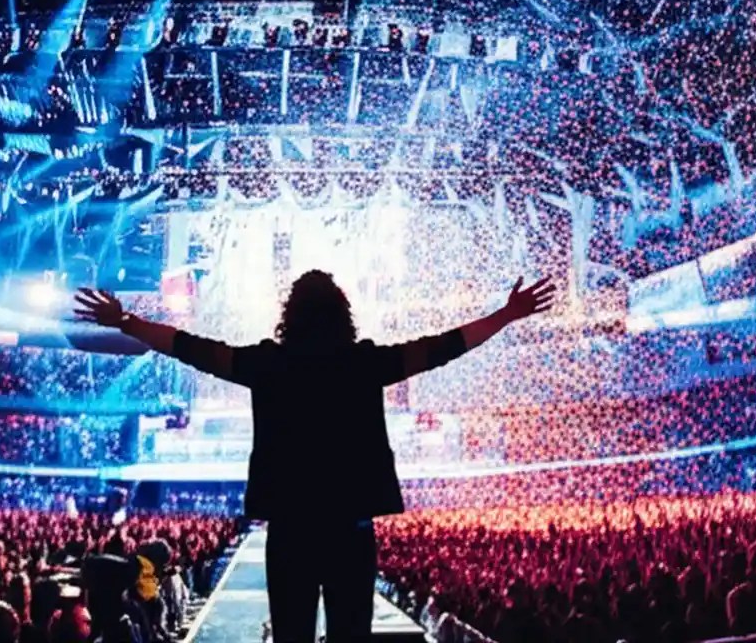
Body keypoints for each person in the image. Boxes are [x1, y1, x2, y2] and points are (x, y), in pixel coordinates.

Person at [74, 271, 555, 642]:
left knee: (292, 635)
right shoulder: (366, 364)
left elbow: (191, 348)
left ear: (290, 315)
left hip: (291, 529)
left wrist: (126, 321)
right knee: (351, 635)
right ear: (344, 315)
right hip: (351, 529)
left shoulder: (266, 364)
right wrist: (506, 314)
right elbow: (442, 348)